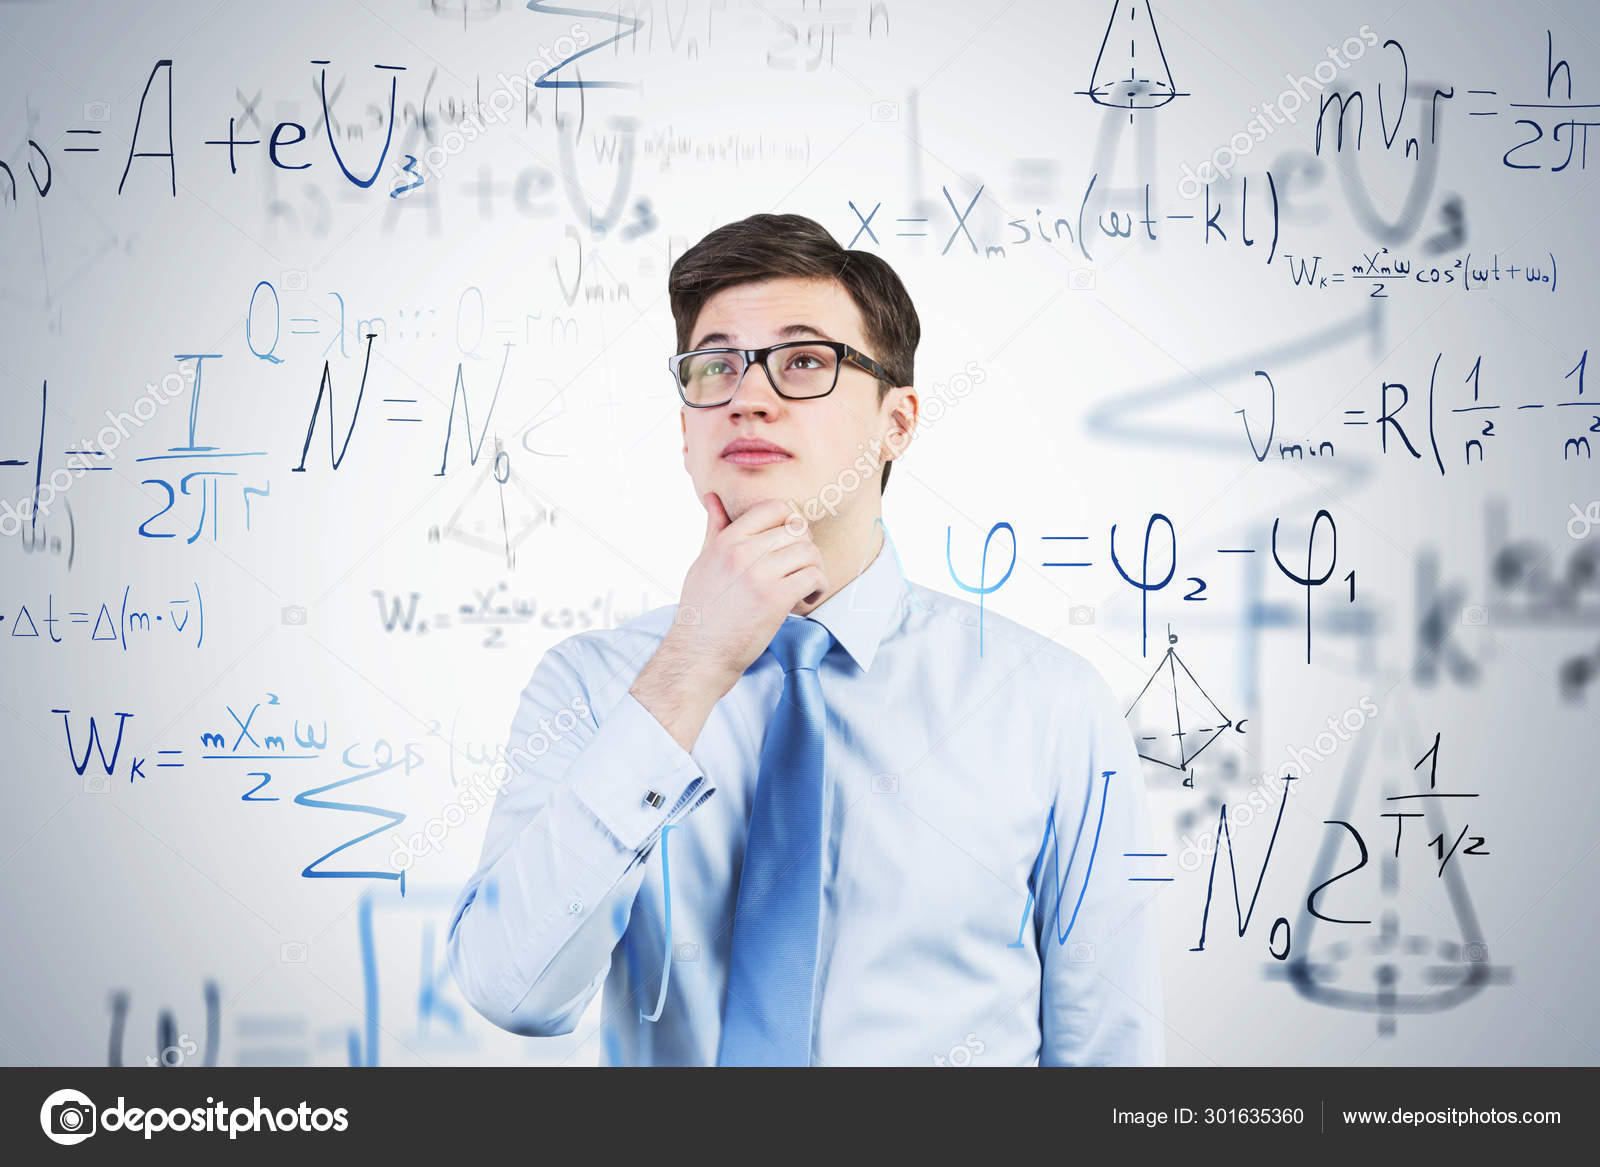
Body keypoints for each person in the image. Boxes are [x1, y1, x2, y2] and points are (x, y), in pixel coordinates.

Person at [446, 212, 1164, 1066]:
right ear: (686, 432)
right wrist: (688, 671)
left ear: (896, 423)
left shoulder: (1047, 702)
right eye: (715, 365)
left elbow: (1106, 1051)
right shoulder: (594, 687)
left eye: (804, 362)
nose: (748, 393)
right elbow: (512, 992)